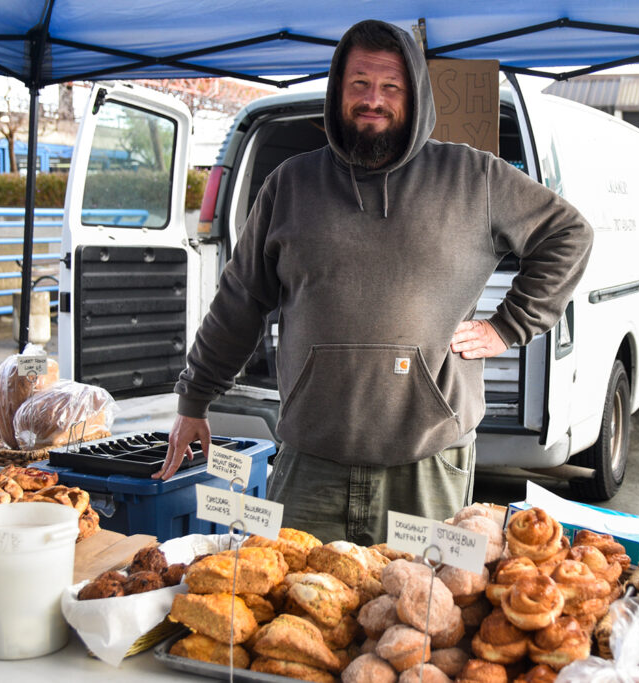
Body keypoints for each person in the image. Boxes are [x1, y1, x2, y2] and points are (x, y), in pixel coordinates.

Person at [154, 19, 593, 544]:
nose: (373, 99)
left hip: (428, 465)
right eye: (359, 83)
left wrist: (509, 325)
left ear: (415, 97)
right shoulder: (290, 184)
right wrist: (194, 400)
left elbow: (569, 234)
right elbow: (239, 301)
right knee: (299, 614)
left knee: (427, 618)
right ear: (338, 90)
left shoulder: (473, 177)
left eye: (391, 87)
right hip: (310, 463)